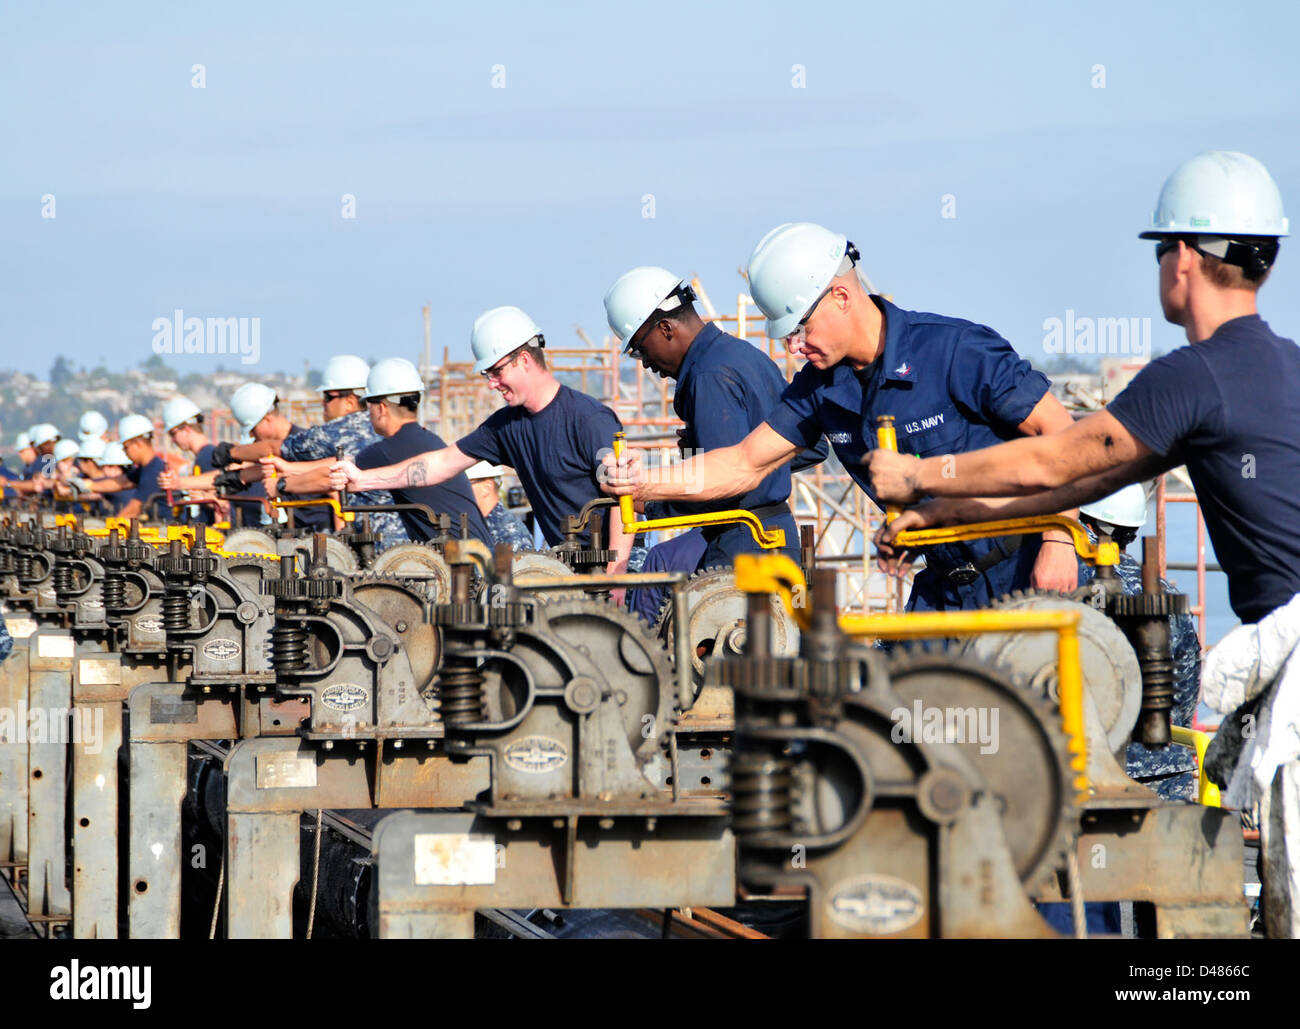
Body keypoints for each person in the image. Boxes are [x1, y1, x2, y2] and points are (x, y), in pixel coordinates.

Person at [868, 150, 1299, 937]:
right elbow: (1078, 484)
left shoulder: (1195, 374)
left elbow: (1055, 455)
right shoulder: (1281, 365)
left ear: (1181, 259)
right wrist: (944, 518)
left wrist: (920, 472)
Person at [602, 222, 1081, 610]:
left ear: (841, 297)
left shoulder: (956, 351)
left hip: (1027, 570)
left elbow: (1061, 436)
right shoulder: (819, 387)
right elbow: (742, 462)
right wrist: (642, 484)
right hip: (946, 584)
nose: (794, 347)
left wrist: (1060, 540)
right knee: (899, 719)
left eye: (800, 328)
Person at [330, 307, 636, 578]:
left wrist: (616, 576)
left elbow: (625, 500)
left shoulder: (588, 419)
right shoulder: (505, 426)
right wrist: (364, 479)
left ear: (524, 359)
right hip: (569, 569)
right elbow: (440, 463)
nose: (491, 383)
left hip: (619, 565)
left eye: (496, 371)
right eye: (487, 374)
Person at [603, 266, 827, 570]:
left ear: (665, 328)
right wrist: (756, 464)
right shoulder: (743, 355)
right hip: (776, 535)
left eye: (641, 350)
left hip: (741, 543)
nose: (645, 366)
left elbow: (722, 486)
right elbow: (812, 446)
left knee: (708, 613)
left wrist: (653, 502)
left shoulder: (708, 375)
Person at [254, 356, 411, 549]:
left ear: (350, 402)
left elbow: (331, 473)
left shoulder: (340, 430)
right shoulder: (380, 430)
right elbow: (341, 463)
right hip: (398, 539)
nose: (323, 403)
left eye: (329, 397)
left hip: (381, 542)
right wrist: (289, 468)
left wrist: (280, 483)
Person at [347, 358, 489, 545]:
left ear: (381, 408)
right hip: (479, 557)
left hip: (455, 566)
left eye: (369, 405)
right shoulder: (431, 441)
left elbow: (331, 479)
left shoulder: (385, 452)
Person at [86, 414, 169, 520]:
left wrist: (112, 528)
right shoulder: (146, 468)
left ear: (138, 444)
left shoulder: (154, 470)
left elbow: (134, 509)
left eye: (126, 447)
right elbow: (121, 482)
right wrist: (87, 485)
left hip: (165, 528)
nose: (125, 452)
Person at [465, 460, 535, 552]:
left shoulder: (510, 534)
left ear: (486, 488)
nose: (461, 489)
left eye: (466, 484)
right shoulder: (479, 523)